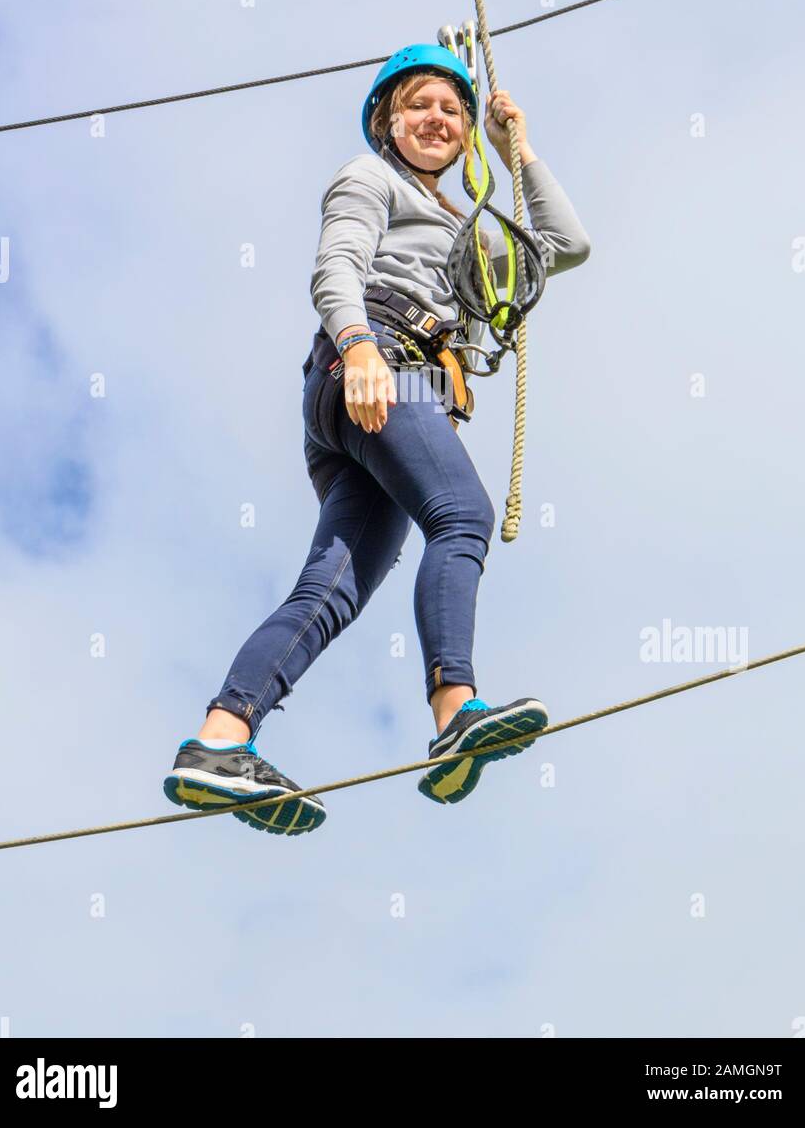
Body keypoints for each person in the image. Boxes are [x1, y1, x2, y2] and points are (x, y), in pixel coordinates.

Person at [164, 44, 591, 836]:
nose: (438, 118)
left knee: (331, 592)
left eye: (452, 111)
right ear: (388, 124)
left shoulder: (470, 230)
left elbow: (566, 245)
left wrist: (517, 153)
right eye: (419, 105)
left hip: (378, 399)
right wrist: (359, 348)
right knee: (462, 516)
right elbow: (337, 265)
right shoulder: (371, 179)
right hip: (376, 367)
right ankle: (456, 711)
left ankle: (219, 741)